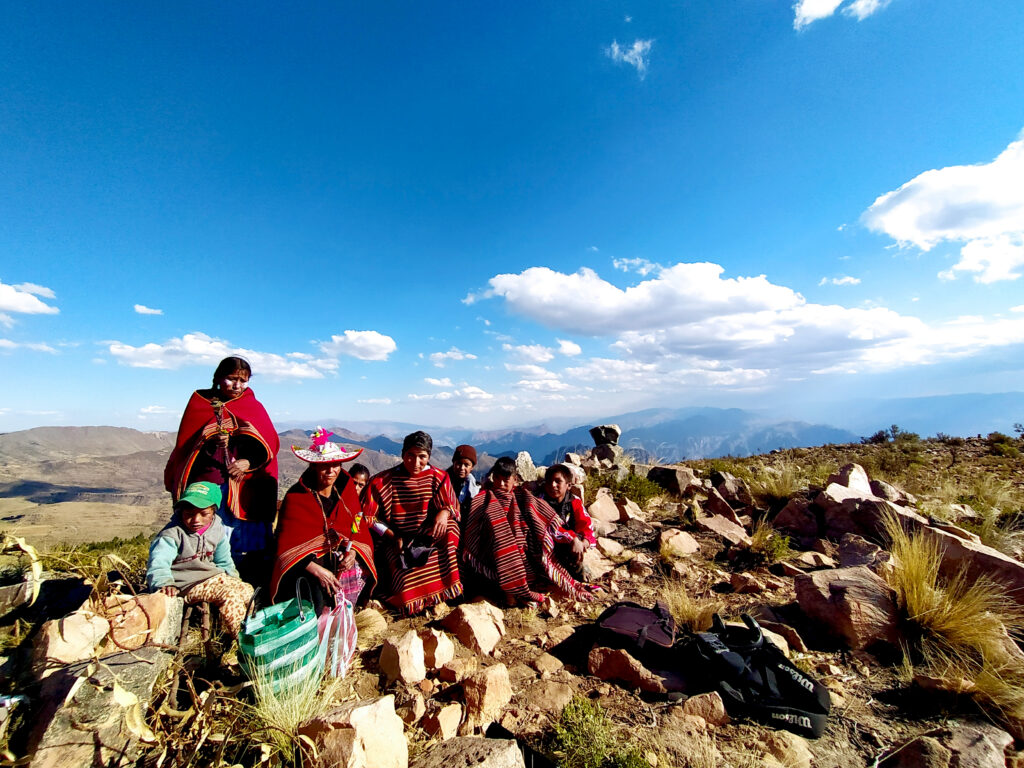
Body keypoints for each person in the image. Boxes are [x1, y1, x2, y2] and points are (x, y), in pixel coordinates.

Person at [164, 356, 279, 585]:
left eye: (243, 380)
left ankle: (250, 584)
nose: (238, 386)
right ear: (218, 378)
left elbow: (270, 442)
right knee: (213, 535)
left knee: (246, 538)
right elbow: (187, 444)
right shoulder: (200, 403)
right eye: (232, 379)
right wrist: (209, 438)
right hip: (209, 482)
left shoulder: (251, 404)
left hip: (246, 486)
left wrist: (247, 461)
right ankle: (210, 582)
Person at [460, 457, 594, 606]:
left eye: (505, 480)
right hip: (490, 546)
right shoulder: (484, 497)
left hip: (536, 545)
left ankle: (514, 589)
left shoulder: (523, 496)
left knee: (518, 546)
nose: (500, 484)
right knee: (504, 542)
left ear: (515, 480)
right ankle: (510, 591)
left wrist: (576, 539)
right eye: (496, 479)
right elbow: (474, 525)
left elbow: (543, 520)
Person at [270, 428, 375, 615]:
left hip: (336, 557)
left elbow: (356, 529)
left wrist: (353, 554)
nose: (331, 471)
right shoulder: (297, 497)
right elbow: (286, 548)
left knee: (359, 571)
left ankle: (344, 616)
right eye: (324, 465)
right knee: (315, 594)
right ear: (313, 466)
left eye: (336, 465)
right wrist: (317, 570)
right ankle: (313, 629)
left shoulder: (345, 492)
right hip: (306, 565)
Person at [362, 431, 462, 615]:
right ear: (403, 454)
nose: (416, 463)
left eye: (422, 457)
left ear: (429, 456)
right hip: (395, 538)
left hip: (427, 535)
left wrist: (444, 511)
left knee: (451, 528)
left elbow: (451, 506)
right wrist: (393, 536)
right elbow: (369, 517)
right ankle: (412, 600)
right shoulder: (382, 481)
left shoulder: (439, 477)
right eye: (411, 456)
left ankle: (444, 593)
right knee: (402, 575)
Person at [146, 481, 255, 638]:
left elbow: (224, 562)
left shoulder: (217, 529)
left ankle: (235, 630)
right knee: (229, 595)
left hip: (212, 577)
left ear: (213, 512)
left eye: (204, 514)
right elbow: (158, 563)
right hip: (186, 584)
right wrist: (164, 582)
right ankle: (242, 640)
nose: (196, 519)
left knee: (246, 590)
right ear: (181, 510)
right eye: (189, 514)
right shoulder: (172, 535)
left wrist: (235, 580)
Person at [539, 464, 597, 578]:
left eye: (558, 481)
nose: (552, 485)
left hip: (570, 544)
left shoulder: (574, 502)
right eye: (549, 481)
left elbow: (586, 525)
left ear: (568, 485)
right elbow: (550, 527)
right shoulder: (540, 502)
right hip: (548, 544)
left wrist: (584, 542)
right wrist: (572, 539)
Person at [447, 445, 479, 515]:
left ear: (472, 467)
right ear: (453, 463)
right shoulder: (444, 482)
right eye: (459, 463)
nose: (462, 468)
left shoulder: (473, 485)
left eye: (466, 465)